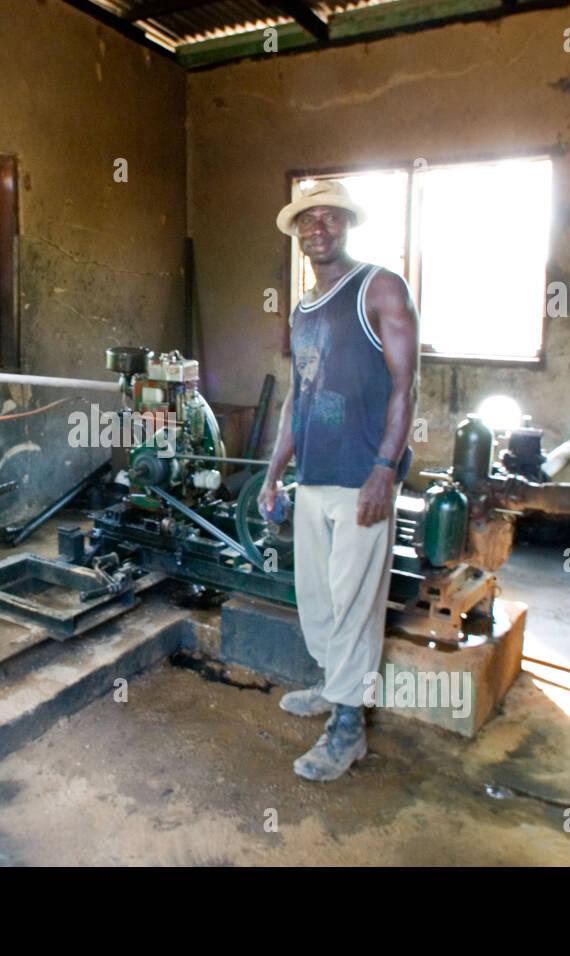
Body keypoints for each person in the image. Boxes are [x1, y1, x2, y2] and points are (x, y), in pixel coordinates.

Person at [257, 181, 420, 782]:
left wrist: (384, 468)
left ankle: (348, 729)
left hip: (361, 477)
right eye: (308, 221)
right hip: (314, 474)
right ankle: (333, 685)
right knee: (318, 598)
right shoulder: (302, 308)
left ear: (347, 224)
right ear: (298, 234)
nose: (317, 228)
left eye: (329, 218)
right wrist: (274, 474)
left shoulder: (380, 287)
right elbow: (299, 398)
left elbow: (406, 386)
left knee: (354, 602)